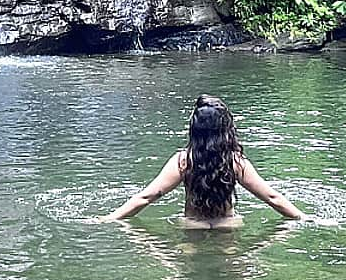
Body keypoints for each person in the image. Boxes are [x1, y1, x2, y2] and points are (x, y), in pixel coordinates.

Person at [100, 94, 307, 228]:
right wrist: (304, 218)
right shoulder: (234, 161)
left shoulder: (183, 161)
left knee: (186, 273)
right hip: (228, 224)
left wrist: (109, 219)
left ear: (195, 130)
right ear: (225, 129)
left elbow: (146, 197)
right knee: (232, 271)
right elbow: (272, 198)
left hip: (193, 225)